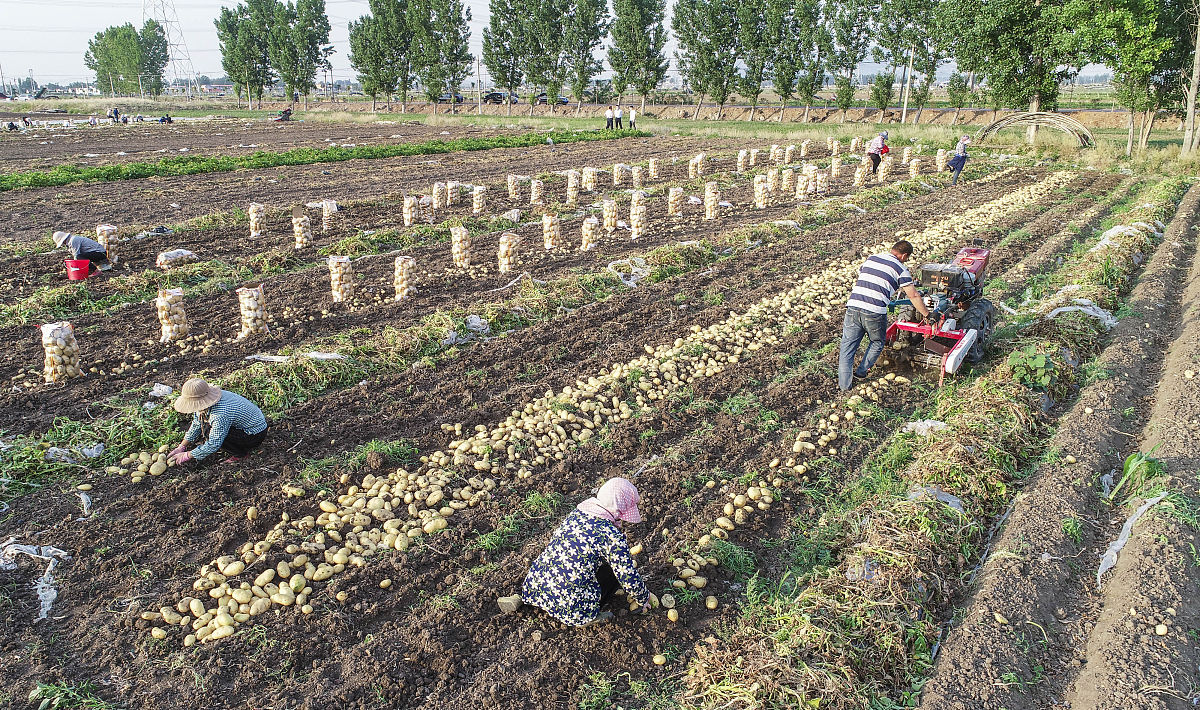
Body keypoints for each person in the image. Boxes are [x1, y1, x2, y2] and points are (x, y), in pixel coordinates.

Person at [498, 477, 650, 625]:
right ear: (618, 507)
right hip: (569, 607)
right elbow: (627, 574)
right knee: (614, 571)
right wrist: (644, 598)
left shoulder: (577, 514)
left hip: (536, 586)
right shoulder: (611, 536)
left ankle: (523, 597)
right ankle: (586, 616)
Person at [838, 240, 930, 391]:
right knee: (877, 342)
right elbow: (913, 296)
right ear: (904, 255)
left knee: (847, 348)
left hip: (853, 306)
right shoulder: (901, 269)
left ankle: (844, 387)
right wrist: (927, 314)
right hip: (874, 311)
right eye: (906, 258)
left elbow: (868, 276)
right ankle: (861, 373)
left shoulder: (872, 258)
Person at [167, 378, 269, 465]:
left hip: (255, 434)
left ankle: (240, 454)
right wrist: (182, 446)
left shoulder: (220, 413)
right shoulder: (208, 402)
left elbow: (214, 443)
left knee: (210, 432)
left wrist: (187, 455)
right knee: (207, 428)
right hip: (243, 425)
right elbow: (197, 422)